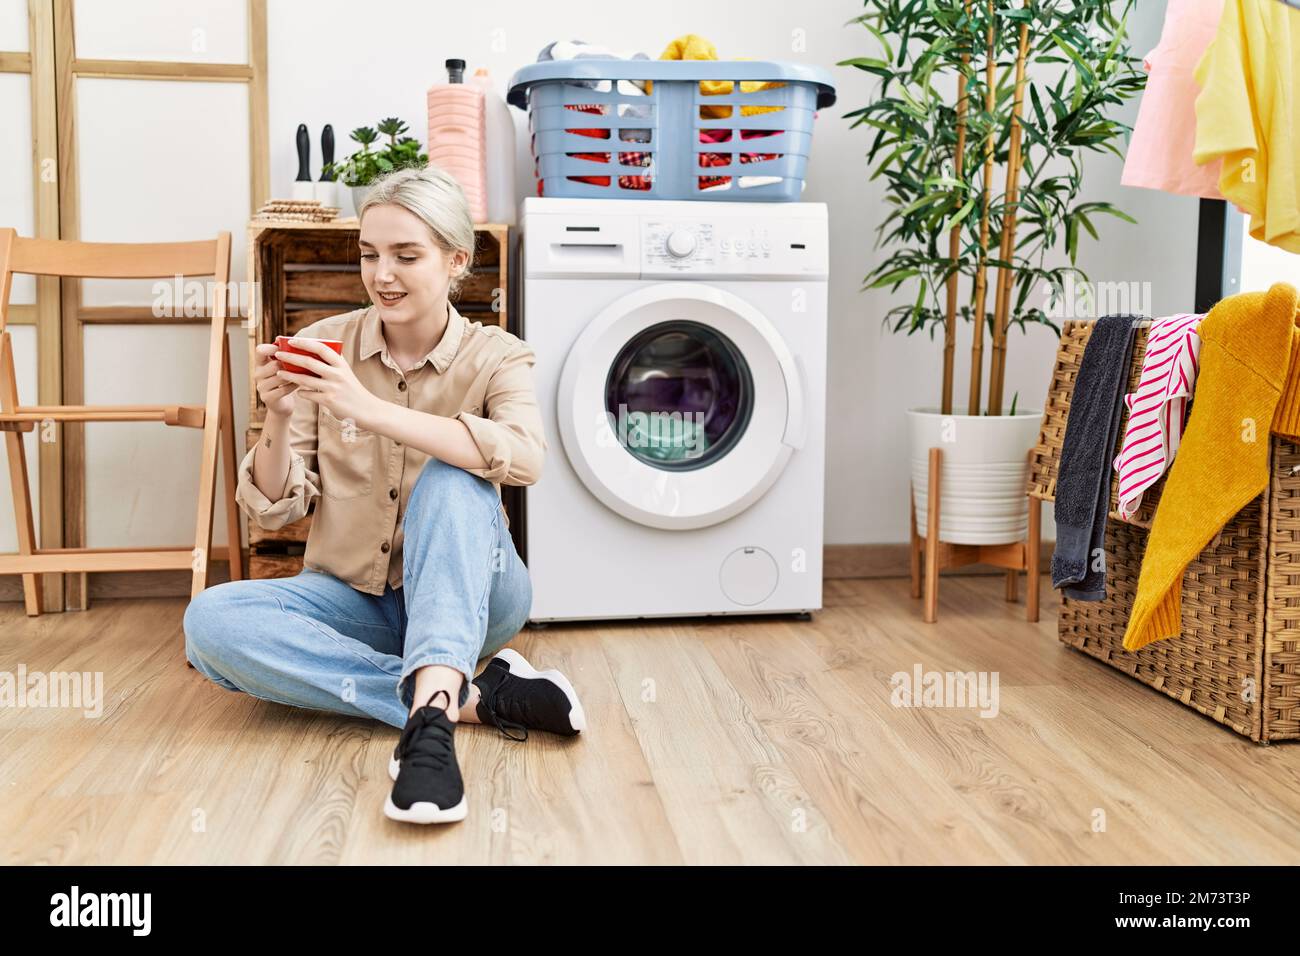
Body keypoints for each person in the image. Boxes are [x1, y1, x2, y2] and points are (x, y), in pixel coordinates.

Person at [183, 164, 584, 825]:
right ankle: (460, 700)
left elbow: (525, 459)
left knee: (455, 477)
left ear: (457, 260)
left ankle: (431, 712)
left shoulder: (498, 355)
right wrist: (279, 414)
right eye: (369, 254)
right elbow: (277, 508)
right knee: (211, 624)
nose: (382, 274)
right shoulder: (322, 346)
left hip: (479, 595)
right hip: (354, 599)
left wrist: (367, 410)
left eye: (406, 255)